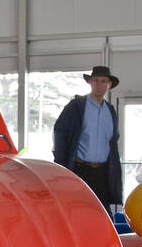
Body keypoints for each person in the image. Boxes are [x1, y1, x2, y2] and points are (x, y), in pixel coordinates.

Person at [52, 65, 122, 213]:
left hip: (103, 173)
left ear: (109, 85)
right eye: (96, 80)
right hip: (80, 170)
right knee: (76, 210)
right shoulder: (76, 106)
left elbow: (113, 143)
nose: (99, 85)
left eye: (103, 81)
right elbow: (60, 132)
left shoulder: (110, 111)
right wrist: (61, 168)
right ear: (90, 83)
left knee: (102, 213)